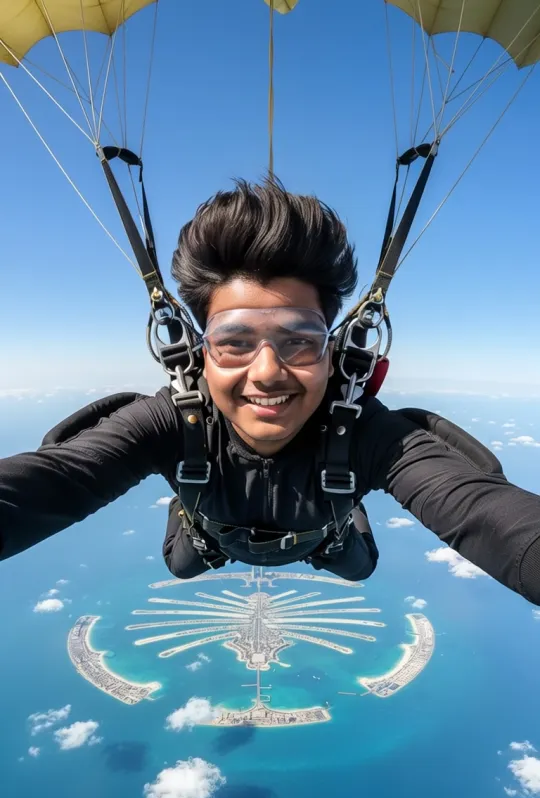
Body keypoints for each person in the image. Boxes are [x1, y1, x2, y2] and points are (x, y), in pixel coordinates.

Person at [0, 179, 539, 603]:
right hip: (212, 532)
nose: (266, 372)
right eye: (234, 341)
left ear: (336, 352)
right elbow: (57, 479)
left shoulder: (368, 434)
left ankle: (338, 519)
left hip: (321, 534)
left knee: (358, 566)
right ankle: (196, 512)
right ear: (198, 354)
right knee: (182, 564)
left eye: (299, 340)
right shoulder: (172, 423)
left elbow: (487, 514)